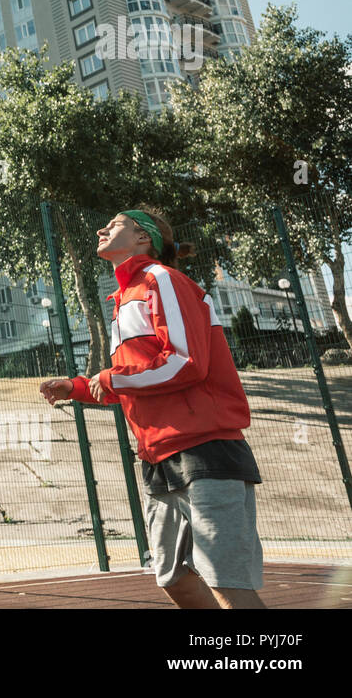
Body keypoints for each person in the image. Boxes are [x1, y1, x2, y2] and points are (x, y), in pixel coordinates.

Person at [39, 206, 265, 609]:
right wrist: (76, 387)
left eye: (115, 223)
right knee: (174, 578)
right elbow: (137, 378)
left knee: (225, 580)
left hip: (207, 451)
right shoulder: (124, 296)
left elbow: (184, 362)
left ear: (143, 238)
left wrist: (108, 377)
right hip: (159, 456)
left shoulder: (162, 280)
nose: (101, 227)